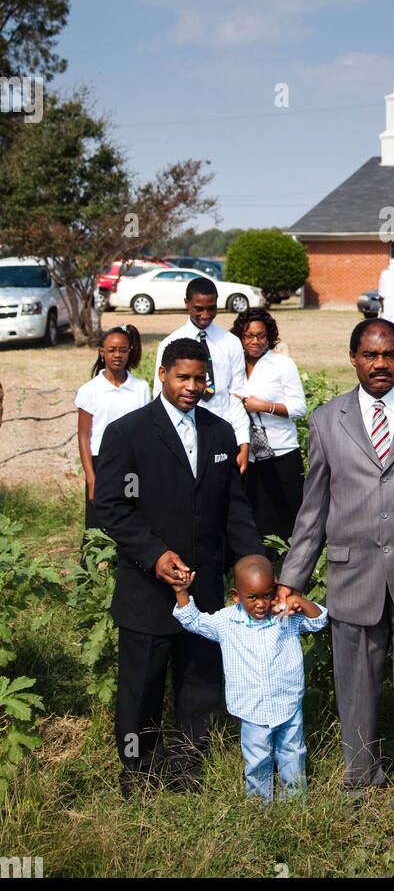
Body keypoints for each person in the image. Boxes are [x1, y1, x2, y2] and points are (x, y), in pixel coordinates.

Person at [275, 319, 394, 834]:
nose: (379, 363)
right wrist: (291, 578)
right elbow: (312, 510)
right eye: (369, 355)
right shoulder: (325, 420)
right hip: (352, 577)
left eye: (388, 355)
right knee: (355, 688)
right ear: (353, 358)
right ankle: (360, 780)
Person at [94, 338, 265, 797]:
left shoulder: (219, 433)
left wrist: (255, 566)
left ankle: (190, 765)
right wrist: (154, 555)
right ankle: (138, 773)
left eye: (200, 379)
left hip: (205, 587)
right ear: (163, 374)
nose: (192, 387)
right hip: (147, 589)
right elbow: (112, 507)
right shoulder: (128, 433)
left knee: (200, 679)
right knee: (141, 685)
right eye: (183, 377)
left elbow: (234, 510)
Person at [169, 554, 327, 803]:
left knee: (293, 752)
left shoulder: (285, 616)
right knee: (257, 757)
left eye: (267, 595)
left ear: (275, 588)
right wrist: (181, 591)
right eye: (252, 597)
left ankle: (295, 801)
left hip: (287, 702)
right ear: (236, 595)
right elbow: (193, 621)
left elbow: (319, 621)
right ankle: (259, 804)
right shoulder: (226, 622)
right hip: (251, 707)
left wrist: (298, 600)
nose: (261, 604)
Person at [153, 277, 250, 475]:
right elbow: (160, 391)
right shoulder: (170, 343)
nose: (205, 315)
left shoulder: (230, 343)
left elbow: (237, 394)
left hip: (221, 430)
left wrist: (242, 439)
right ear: (186, 304)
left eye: (211, 308)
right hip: (183, 432)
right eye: (198, 308)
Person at [229, 308, 306, 555]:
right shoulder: (234, 365)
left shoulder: (281, 365)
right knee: (252, 519)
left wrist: (265, 406)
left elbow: (299, 408)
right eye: (249, 336)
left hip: (281, 453)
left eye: (261, 336)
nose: (255, 341)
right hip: (246, 455)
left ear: (269, 337)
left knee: (285, 521)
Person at [75, 323, 150, 534]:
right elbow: (84, 437)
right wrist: (91, 478)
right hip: (102, 465)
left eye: (122, 350)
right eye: (111, 350)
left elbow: (145, 432)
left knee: (131, 515)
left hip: (131, 467)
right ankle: (91, 566)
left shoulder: (140, 388)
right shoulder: (90, 391)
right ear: (102, 353)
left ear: (130, 351)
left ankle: (127, 564)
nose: (117, 355)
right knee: (97, 524)